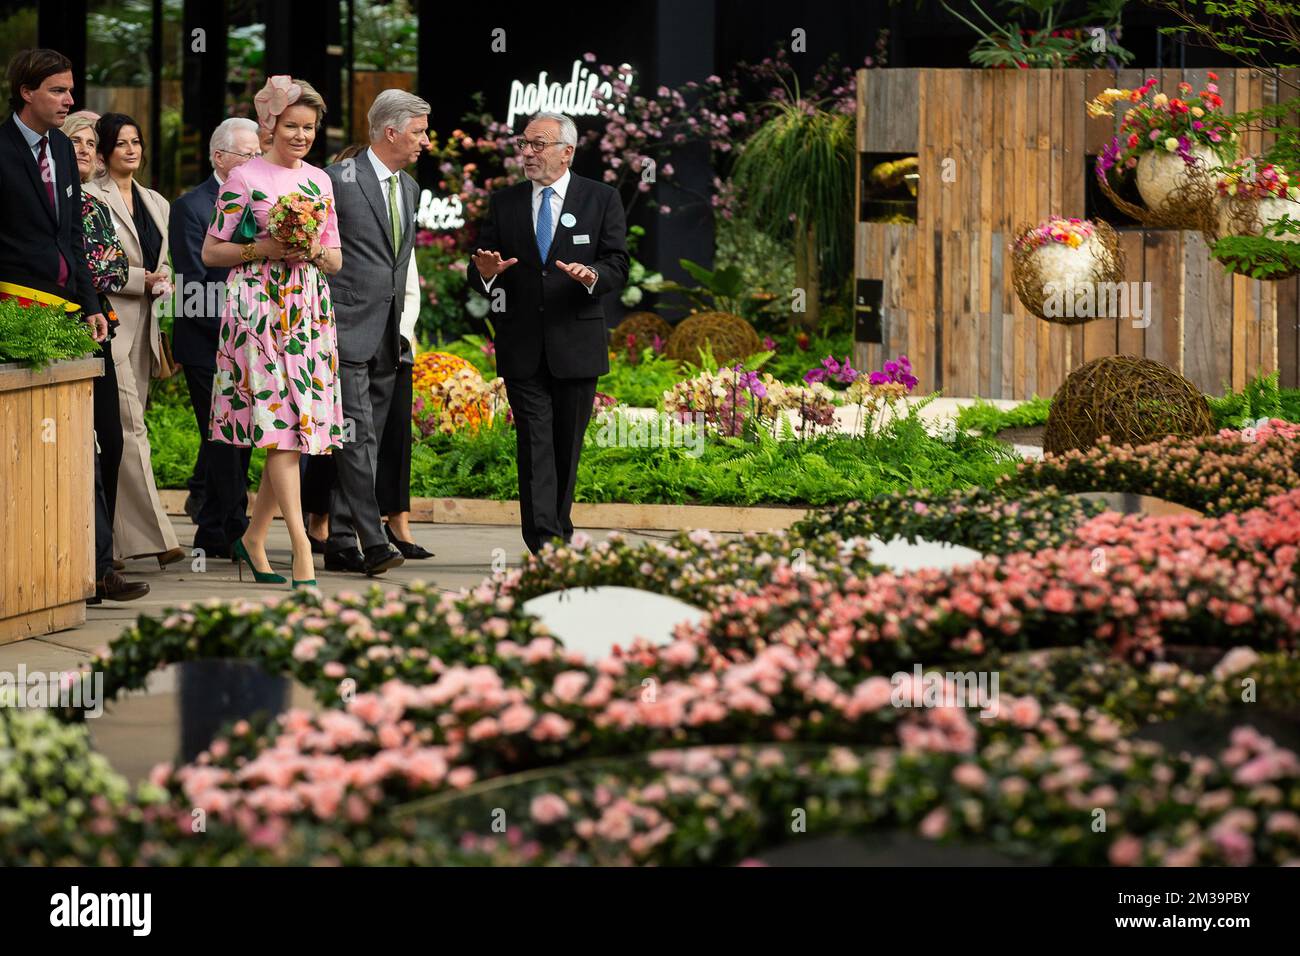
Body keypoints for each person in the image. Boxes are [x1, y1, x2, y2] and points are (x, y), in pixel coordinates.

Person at [0, 50, 148, 602]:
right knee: (45, 444)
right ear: (27, 92)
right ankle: (80, 570)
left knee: (106, 435)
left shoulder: (64, 150)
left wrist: (93, 307)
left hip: (74, 313)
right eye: (59, 91)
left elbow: (73, 242)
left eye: (70, 90)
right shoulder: (2, 150)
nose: (69, 101)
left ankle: (96, 564)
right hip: (18, 315)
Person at [201, 75, 344, 588]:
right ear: (271, 125)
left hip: (306, 312)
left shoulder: (321, 182)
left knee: (287, 433)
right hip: (257, 311)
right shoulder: (244, 178)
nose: (301, 135)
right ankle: (301, 545)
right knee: (281, 434)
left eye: (309, 127)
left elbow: (336, 258)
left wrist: (311, 252)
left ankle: (255, 539)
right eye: (292, 126)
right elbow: (211, 252)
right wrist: (263, 248)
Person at [472, 111, 629, 553]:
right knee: (535, 443)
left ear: (567, 151)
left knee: (565, 446)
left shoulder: (601, 199)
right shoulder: (505, 203)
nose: (527, 153)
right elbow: (483, 266)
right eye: (524, 144)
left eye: (538, 145)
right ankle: (544, 539)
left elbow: (618, 264)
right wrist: (484, 273)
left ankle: (558, 528)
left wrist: (592, 275)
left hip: (576, 344)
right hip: (522, 345)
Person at [318, 89, 429, 575]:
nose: (425, 141)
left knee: (368, 440)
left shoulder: (409, 188)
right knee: (359, 436)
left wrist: (402, 329)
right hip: (342, 330)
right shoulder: (336, 180)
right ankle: (372, 538)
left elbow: (399, 265)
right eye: (419, 131)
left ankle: (342, 540)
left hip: (389, 336)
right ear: (391, 132)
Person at [84, 112, 184, 567]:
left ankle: (116, 544)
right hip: (108, 324)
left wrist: (166, 289)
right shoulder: (90, 197)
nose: (131, 149)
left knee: (122, 434)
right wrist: (145, 279)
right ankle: (160, 537)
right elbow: (95, 266)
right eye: (121, 143)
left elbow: (168, 263)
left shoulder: (157, 202)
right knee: (131, 429)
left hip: (145, 329)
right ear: (103, 153)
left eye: (137, 142)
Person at [65, 110, 149, 603]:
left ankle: (102, 561)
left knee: (111, 442)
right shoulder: (55, 199)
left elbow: (112, 267)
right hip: (55, 327)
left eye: (91, 143)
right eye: (75, 140)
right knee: (78, 452)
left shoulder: (92, 206)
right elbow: (99, 267)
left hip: (97, 329)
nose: (84, 149)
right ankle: (90, 569)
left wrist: (96, 272)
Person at [169, 116, 260, 561]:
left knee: (240, 435)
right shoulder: (191, 206)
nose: (256, 161)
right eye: (248, 154)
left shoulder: (260, 203)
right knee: (223, 438)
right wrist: (243, 315)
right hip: (208, 339)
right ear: (220, 157)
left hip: (253, 341)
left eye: (259, 154)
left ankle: (212, 530)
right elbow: (193, 283)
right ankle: (234, 528)